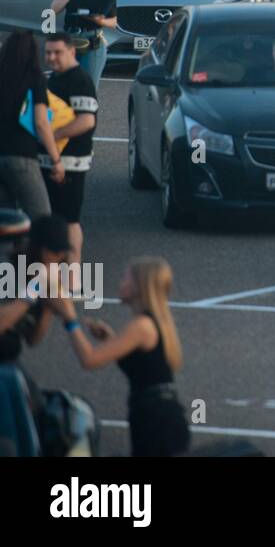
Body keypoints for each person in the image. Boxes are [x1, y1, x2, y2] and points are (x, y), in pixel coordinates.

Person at [48, 257, 189, 457]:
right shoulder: (149, 323)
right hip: (156, 415)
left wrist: (70, 319)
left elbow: (90, 360)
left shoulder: (141, 325)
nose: (120, 283)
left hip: (157, 420)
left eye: (126, 278)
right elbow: (140, 366)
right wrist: (111, 339)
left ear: (140, 287)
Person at [0, 214, 73, 456]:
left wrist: (50, 309)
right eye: (55, 252)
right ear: (39, 248)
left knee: (43, 414)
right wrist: (34, 291)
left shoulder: (41, 278)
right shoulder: (8, 268)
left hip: (9, 364)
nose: (60, 258)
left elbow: (33, 340)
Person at [38, 34, 96, 269]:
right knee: (53, 220)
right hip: (50, 159)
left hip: (70, 162)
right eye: (48, 52)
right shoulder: (54, 78)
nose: (52, 58)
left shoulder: (80, 80)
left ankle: (73, 279)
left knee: (70, 220)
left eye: (57, 52)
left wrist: (53, 136)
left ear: (72, 52)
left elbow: (86, 121)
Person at [0, 32, 63, 219]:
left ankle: (11, 249)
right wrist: (56, 160)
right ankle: (26, 249)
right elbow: (41, 122)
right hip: (22, 156)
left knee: (7, 219)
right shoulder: (35, 79)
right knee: (40, 216)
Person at [49, 0, 118, 88]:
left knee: (86, 88)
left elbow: (113, 21)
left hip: (92, 42)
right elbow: (53, 9)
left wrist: (101, 20)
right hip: (69, 39)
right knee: (64, 87)